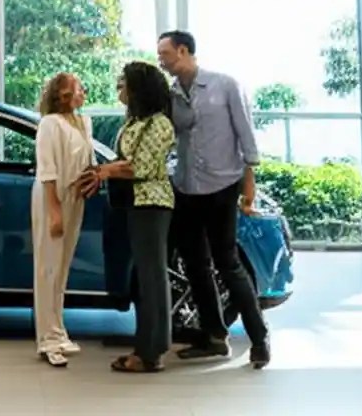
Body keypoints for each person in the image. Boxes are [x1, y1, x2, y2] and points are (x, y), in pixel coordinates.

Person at [156, 30, 270, 369]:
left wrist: (249, 184)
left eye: (164, 53)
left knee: (228, 263)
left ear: (183, 50)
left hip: (223, 187)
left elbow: (247, 138)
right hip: (187, 187)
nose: (160, 60)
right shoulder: (172, 94)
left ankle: (260, 338)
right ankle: (214, 337)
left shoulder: (225, 85)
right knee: (195, 265)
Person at [77, 62, 175, 374]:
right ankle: (144, 346)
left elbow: (140, 168)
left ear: (138, 89)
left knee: (152, 278)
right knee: (139, 280)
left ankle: (152, 352)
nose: (119, 88)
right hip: (132, 203)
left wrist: (105, 170)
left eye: (124, 83)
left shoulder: (160, 124)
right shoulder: (134, 121)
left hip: (151, 204)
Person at [31, 72, 94, 367]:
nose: (83, 91)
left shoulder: (84, 121)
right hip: (51, 197)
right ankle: (47, 338)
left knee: (63, 266)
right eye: (78, 87)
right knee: (48, 267)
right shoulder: (49, 124)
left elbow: (88, 162)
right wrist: (54, 211)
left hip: (75, 197)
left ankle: (59, 330)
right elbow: (47, 170)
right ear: (63, 93)